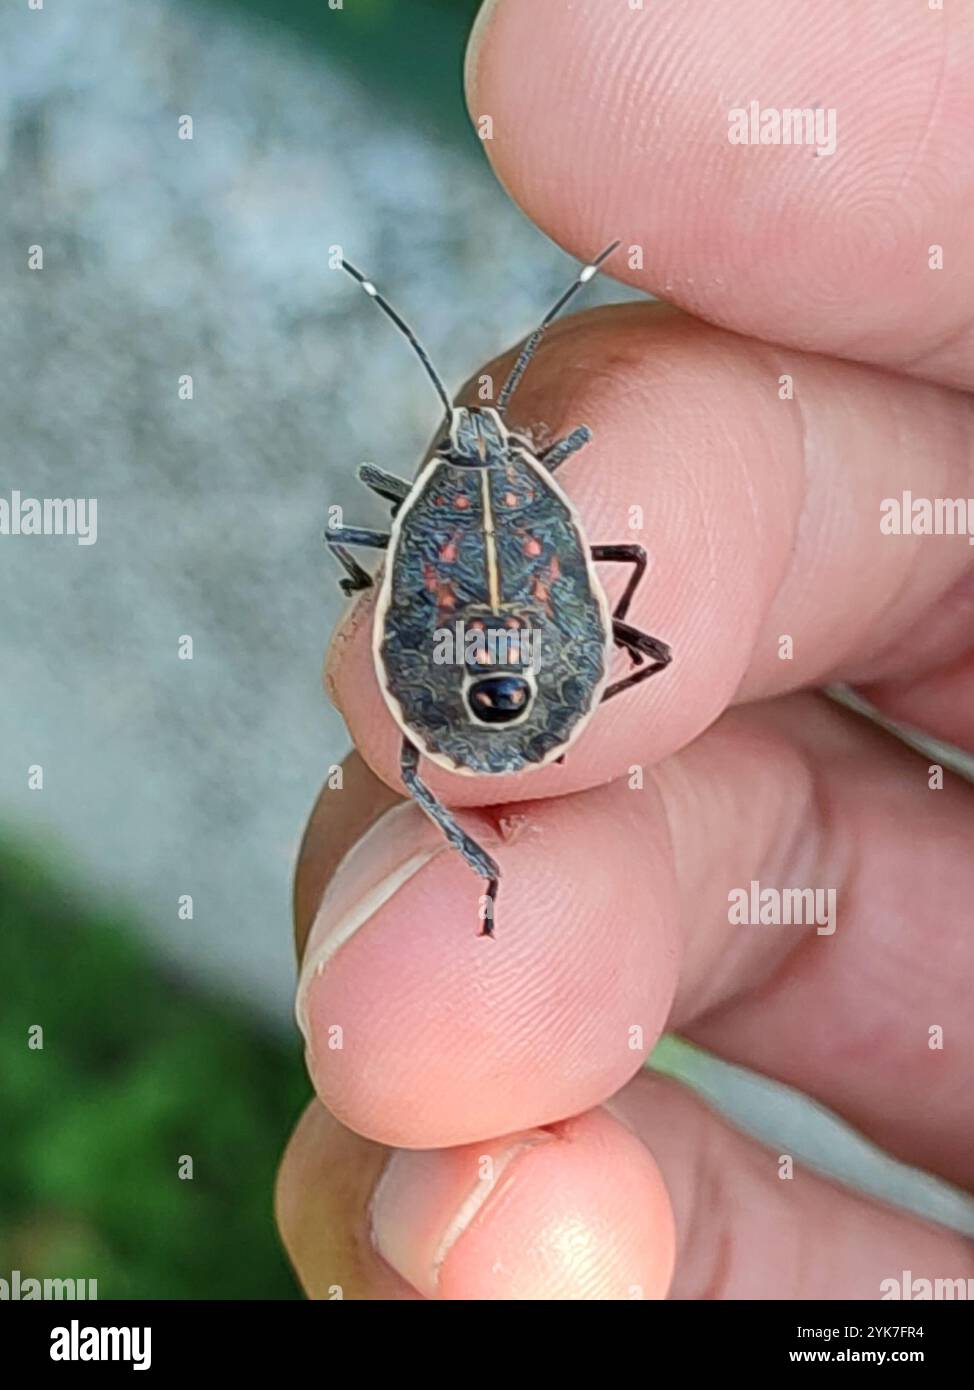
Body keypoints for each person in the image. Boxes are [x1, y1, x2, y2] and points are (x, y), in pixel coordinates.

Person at [275, 0, 974, 1300]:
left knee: (424, 736)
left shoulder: (455, 489)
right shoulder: (528, 485)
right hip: (554, 677)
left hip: (484, 675)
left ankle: (493, 842)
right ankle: (529, 790)